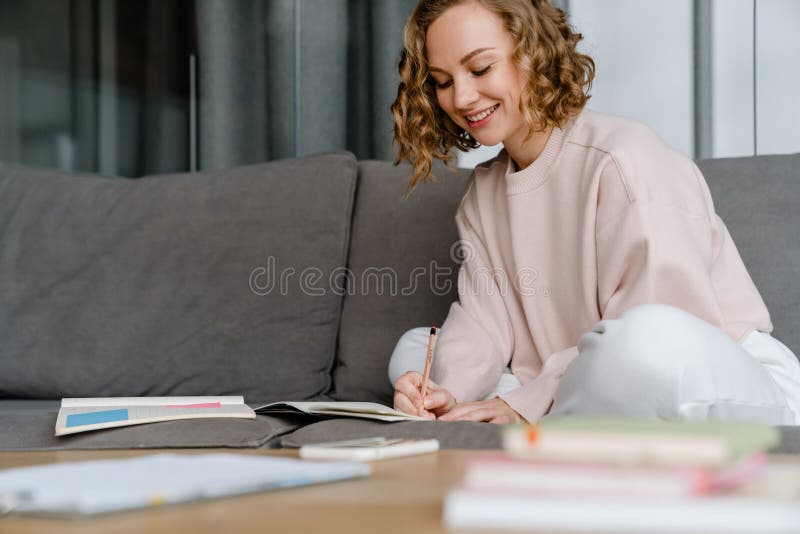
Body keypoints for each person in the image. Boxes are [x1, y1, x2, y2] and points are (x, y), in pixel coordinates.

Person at [388, 0, 800, 425]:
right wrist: (444, 391)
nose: (462, 97)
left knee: (641, 342)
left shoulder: (623, 159)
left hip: (715, 380)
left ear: (533, 51)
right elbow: (483, 323)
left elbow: (661, 323)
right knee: (416, 351)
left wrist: (523, 403)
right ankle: (537, 412)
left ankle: (543, 410)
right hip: (579, 378)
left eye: (480, 69)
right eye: (442, 81)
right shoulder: (482, 196)